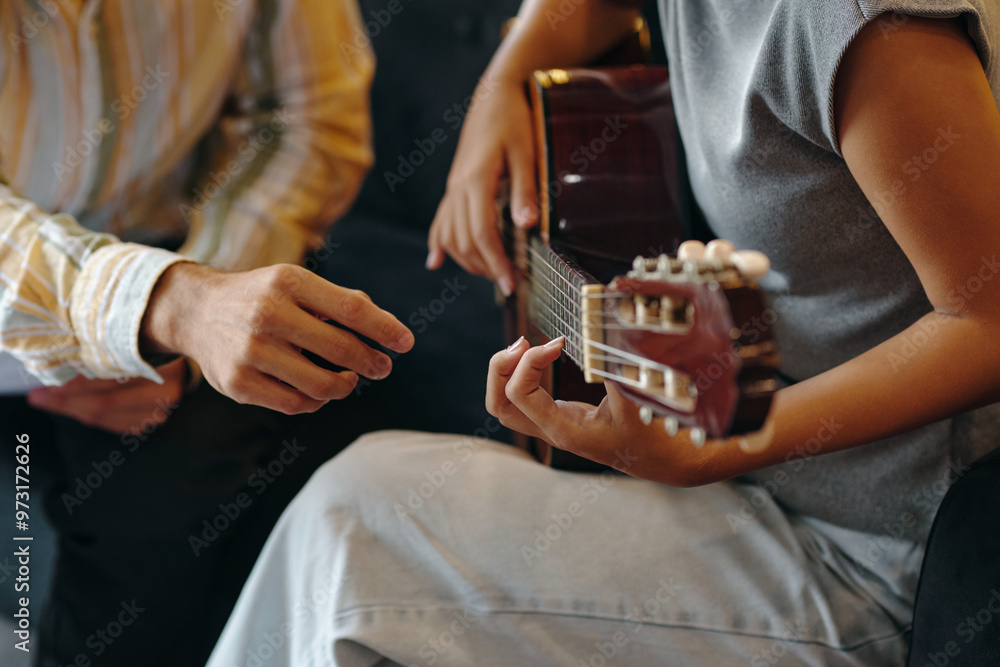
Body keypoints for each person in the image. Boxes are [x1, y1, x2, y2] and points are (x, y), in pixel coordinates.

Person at [206, 0, 1000, 664]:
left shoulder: (863, 27)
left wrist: (723, 448)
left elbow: (989, 321)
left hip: (878, 558)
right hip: (756, 489)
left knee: (353, 520)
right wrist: (500, 88)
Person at [0, 1, 413, 665]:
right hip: (127, 294)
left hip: (185, 259)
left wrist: (203, 309)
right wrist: (149, 306)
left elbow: (303, 116)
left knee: (164, 491)